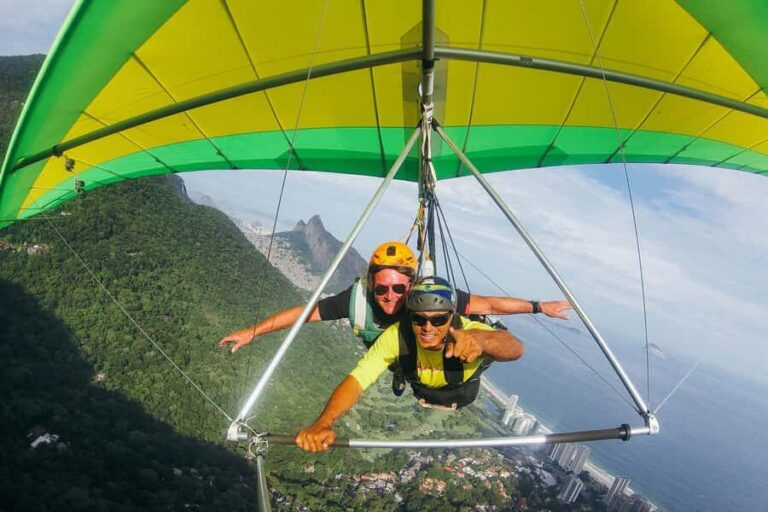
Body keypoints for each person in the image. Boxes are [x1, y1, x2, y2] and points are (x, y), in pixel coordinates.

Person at [295, 276, 524, 452]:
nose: (428, 328)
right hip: (421, 389)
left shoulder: (466, 334)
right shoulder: (398, 335)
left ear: (451, 316)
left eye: (438, 319)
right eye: (418, 319)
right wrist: (324, 422)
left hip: (462, 391)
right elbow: (358, 378)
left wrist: (482, 340)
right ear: (410, 317)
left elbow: (515, 348)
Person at [218, 241, 572, 353]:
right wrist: (254, 331)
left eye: (399, 288)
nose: (389, 296)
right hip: (393, 354)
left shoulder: (427, 298)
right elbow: (303, 313)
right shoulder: (356, 299)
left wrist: (541, 307)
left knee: (461, 331)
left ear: (411, 286)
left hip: (426, 352)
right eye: (382, 287)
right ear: (372, 283)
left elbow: (491, 304)